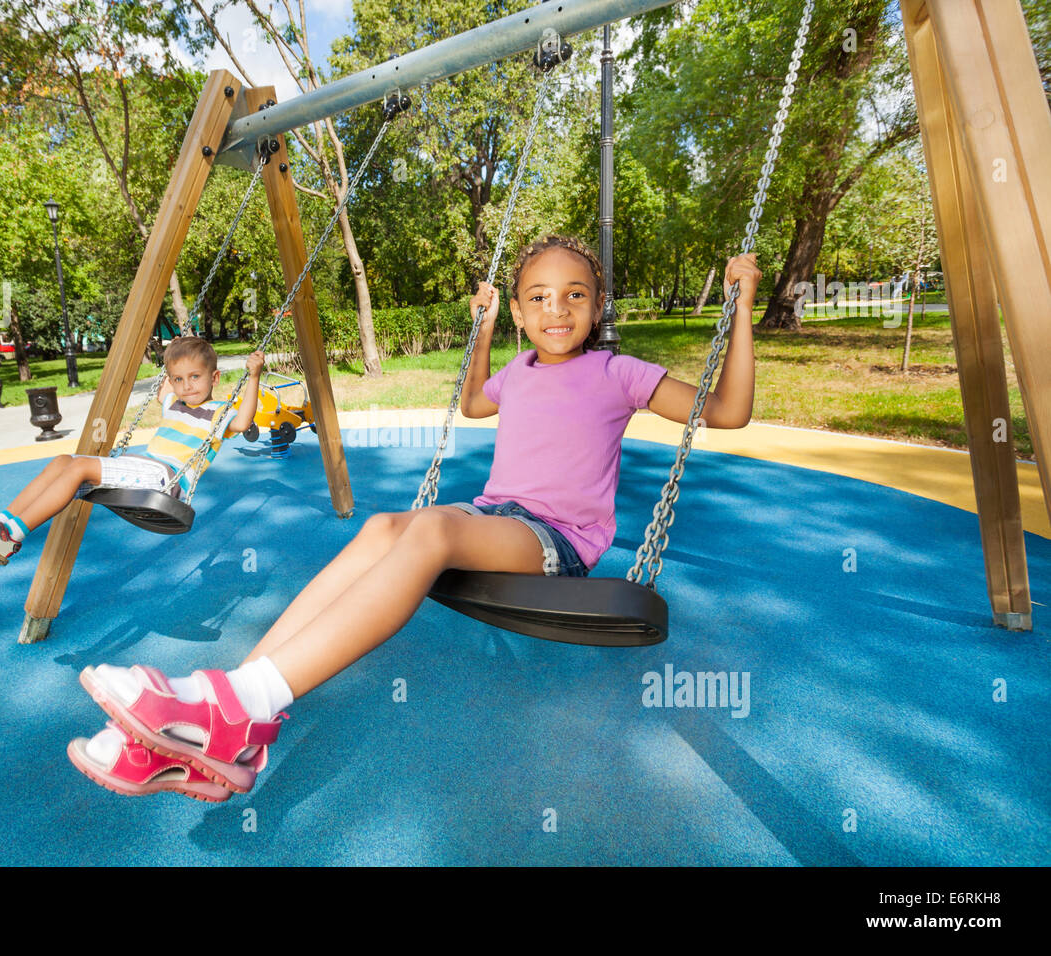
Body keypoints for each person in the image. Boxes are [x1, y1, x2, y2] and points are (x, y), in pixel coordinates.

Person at [66, 234, 763, 802]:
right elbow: (473, 403)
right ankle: (231, 721)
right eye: (539, 298)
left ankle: (239, 702)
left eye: (575, 296)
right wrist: (482, 330)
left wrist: (744, 305)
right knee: (379, 529)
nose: (558, 310)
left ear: (598, 304)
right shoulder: (516, 371)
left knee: (430, 527)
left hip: (554, 541)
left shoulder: (620, 372)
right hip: (494, 517)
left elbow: (726, 411)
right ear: (520, 311)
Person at [0, 337, 264, 566]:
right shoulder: (173, 402)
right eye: (180, 379)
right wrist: (174, 347)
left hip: (165, 479)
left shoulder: (218, 411)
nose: (187, 385)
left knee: (79, 470)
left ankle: (11, 535)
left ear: (214, 377)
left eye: (195, 377)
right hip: (142, 467)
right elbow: (167, 379)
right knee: (63, 461)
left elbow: (244, 420)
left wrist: (253, 376)